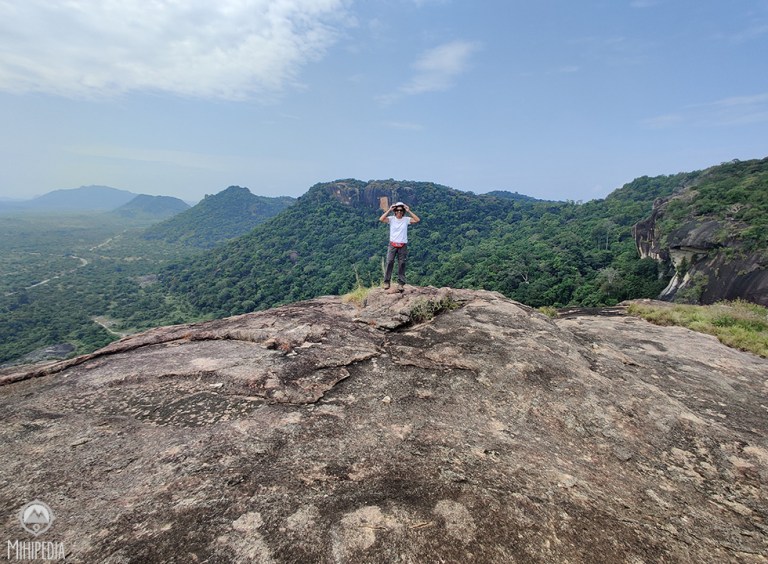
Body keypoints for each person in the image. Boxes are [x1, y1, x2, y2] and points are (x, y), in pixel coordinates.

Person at [379, 201, 420, 291]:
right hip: (392, 244)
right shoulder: (391, 219)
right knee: (389, 262)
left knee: (402, 264)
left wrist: (409, 210)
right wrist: (389, 210)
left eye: (401, 210)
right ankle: (386, 282)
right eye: (397, 210)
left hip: (402, 245)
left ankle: (401, 283)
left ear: (403, 211)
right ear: (395, 211)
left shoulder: (406, 220)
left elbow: (417, 220)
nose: (399, 212)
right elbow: (381, 219)